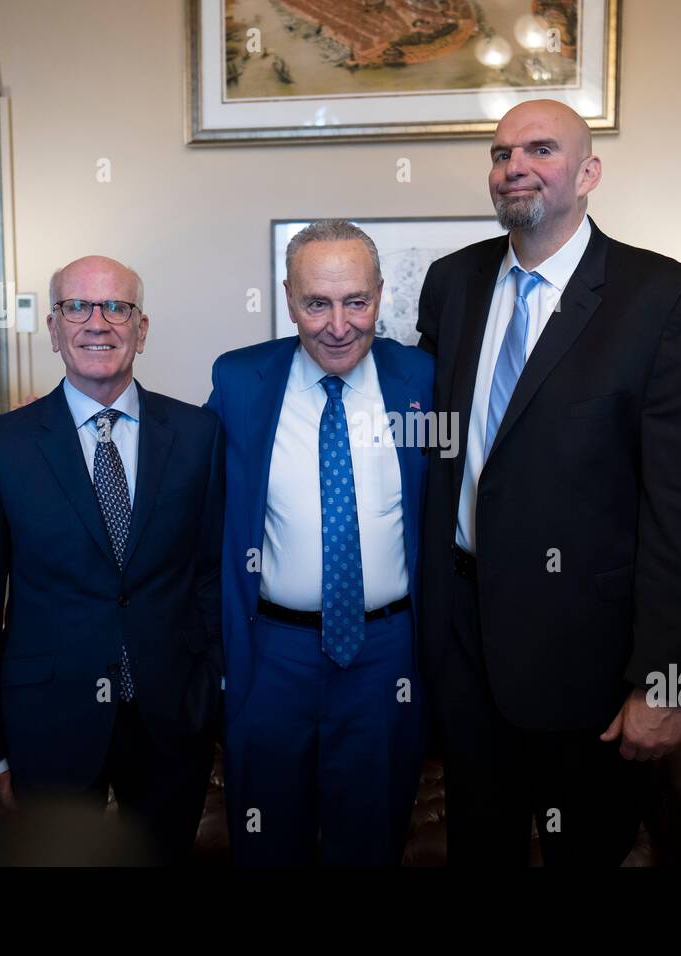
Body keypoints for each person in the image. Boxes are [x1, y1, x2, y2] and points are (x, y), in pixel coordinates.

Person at [416, 100, 681, 866]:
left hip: (587, 668)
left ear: (588, 172)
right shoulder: (452, 282)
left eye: (540, 149)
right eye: (500, 154)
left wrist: (662, 684)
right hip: (462, 642)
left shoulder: (665, 301)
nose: (514, 165)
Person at [0, 255, 223, 864]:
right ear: (53, 328)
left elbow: (210, 575)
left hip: (172, 718)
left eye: (116, 307)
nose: (98, 322)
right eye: (78, 306)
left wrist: (211, 686)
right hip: (48, 721)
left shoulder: (199, 435)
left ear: (141, 329)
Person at [207, 220, 431, 865]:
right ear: (287, 298)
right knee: (267, 843)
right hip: (271, 653)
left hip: (387, 654)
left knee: (371, 841)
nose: (339, 325)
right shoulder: (242, 381)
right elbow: (188, 486)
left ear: (381, 295)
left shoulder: (422, 381)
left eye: (356, 301)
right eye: (317, 303)